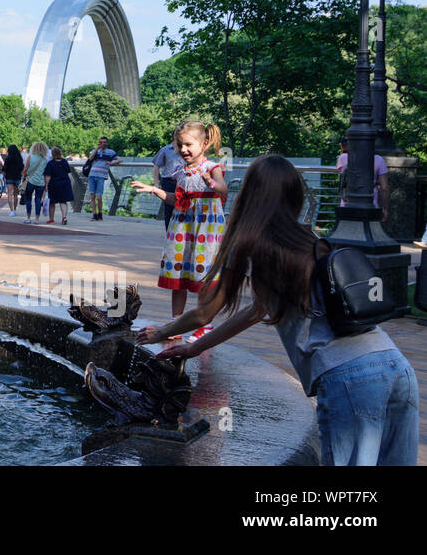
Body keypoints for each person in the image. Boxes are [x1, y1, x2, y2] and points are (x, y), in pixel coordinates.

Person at [137, 155, 418, 466]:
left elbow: (205, 314)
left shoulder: (248, 242)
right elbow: (258, 310)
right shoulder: (308, 238)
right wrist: (194, 348)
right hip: (394, 364)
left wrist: (163, 332)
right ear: (294, 194)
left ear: (249, 194)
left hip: (348, 377)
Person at [131, 121, 227, 340]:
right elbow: (177, 200)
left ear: (204, 143)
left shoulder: (212, 167)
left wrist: (211, 183)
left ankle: (204, 324)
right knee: (180, 272)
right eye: (179, 145)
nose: (183, 149)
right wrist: (154, 190)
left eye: (188, 145)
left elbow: (223, 189)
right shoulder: (179, 171)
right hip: (183, 226)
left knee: (202, 274)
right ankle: (176, 322)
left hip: (206, 228)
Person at [335, 136, 390, 226]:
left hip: (347, 204)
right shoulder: (378, 159)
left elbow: (343, 177)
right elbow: (384, 188)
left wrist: (344, 150)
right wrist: (384, 209)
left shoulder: (344, 158)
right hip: (370, 205)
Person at [84, 136, 121, 221]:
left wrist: (111, 163)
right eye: (101, 142)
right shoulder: (95, 151)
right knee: (92, 196)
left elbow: (119, 159)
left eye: (104, 142)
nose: (103, 144)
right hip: (92, 175)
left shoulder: (110, 152)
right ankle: (94, 214)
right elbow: (90, 158)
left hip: (101, 176)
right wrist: (97, 148)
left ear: (107, 143)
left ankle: (100, 213)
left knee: (99, 197)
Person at [152, 133, 183, 228]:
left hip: (183, 182)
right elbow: (156, 165)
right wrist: (156, 183)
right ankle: (169, 233)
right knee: (169, 209)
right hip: (168, 182)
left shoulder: (185, 149)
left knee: (182, 208)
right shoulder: (165, 150)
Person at [44, 146, 75, 225]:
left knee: (52, 202)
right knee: (63, 201)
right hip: (65, 183)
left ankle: (51, 219)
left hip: (54, 184)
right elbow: (68, 171)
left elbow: (48, 176)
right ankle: (64, 217)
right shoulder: (64, 161)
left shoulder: (50, 163)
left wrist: (46, 186)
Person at [21, 141, 49, 224]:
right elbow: (45, 173)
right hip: (41, 182)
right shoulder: (44, 160)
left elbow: (25, 169)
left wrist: (23, 177)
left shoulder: (30, 157)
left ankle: (28, 217)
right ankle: (37, 218)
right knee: (38, 199)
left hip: (30, 181)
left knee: (28, 199)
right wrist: (46, 185)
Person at [1, 143, 25, 217]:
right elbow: (22, 169)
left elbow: (4, 169)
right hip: (17, 178)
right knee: (15, 195)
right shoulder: (19, 159)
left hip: (9, 178)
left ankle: (11, 211)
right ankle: (15, 209)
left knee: (9, 194)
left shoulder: (8, 159)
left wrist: (5, 177)